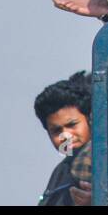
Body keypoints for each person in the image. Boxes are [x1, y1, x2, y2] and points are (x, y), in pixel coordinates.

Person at [34, 71, 93, 206]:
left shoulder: (107, 160)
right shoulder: (60, 173)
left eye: (72, 125)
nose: (65, 136)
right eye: (56, 130)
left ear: (90, 120)